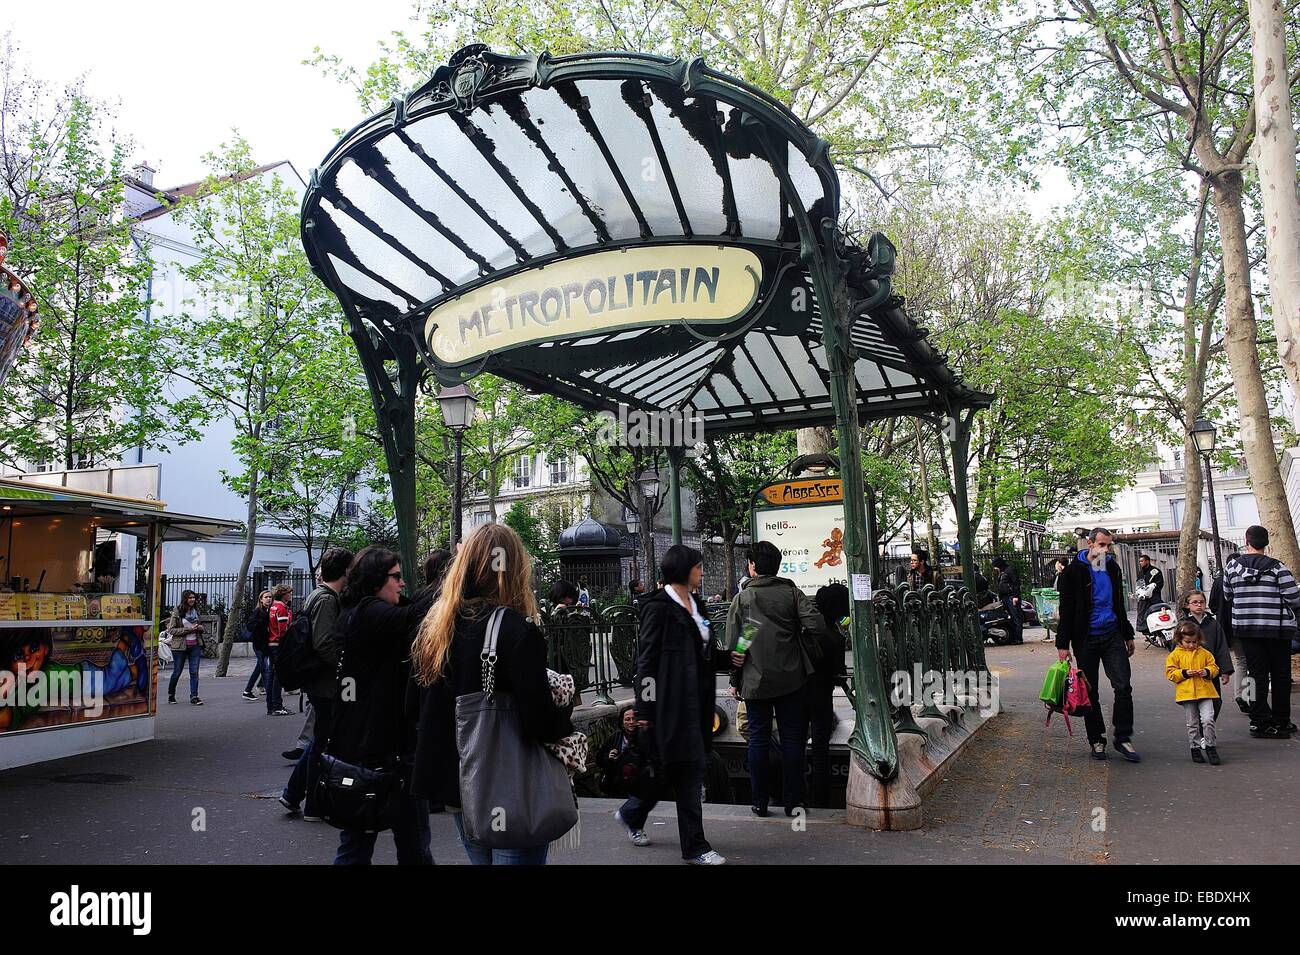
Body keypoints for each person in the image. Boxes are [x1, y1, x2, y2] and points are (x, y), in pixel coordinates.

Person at [409, 524, 572, 865]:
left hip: (456, 783)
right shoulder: (516, 632)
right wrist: (564, 706)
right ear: (514, 569)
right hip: (506, 784)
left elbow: (413, 707)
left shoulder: (437, 628)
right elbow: (540, 722)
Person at [614, 544, 727, 865]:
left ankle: (631, 813)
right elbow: (645, 662)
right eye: (698, 567)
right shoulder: (659, 608)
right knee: (685, 772)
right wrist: (645, 709)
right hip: (668, 708)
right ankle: (695, 847)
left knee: (676, 772)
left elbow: (702, 652)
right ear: (683, 570)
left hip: (697, 705)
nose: (702, 572)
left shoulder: (698, 605)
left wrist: (726, 658)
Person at [324, 546, 436, 865]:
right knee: (412, 845)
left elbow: (410, 609)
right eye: (396, 577)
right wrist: (457, 573)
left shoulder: (358, 609)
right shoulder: (370, 611)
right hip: (385, 751)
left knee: (358, 843)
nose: (402, 584)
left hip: (364, 747)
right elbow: (417, 614)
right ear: (375, 579)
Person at [726, 540, 820, 817]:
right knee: (792, 740)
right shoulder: (792, 593)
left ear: (753, 567)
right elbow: (815, 624)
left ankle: (760, 801)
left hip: (756, 681)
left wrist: (735, 680)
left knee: (758, 739)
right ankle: (794, 801)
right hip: (792, 678)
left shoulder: (743, 599)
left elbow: (736, 645)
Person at [280, 547, 353, 818]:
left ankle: (293, 794)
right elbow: (324, 643)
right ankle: (313, 804)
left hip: (319, 682)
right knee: (322, 742)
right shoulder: (325, 599)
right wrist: (344, 667)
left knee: (320, 739)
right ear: (345, 571)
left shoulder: (319, 595)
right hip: (324, 683)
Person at [1055, 528, 1140, 761]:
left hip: (1112, 634)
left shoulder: (1111, 567)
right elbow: (1066, 611)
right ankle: (1097, 739)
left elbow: (1118, 604)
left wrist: (1128, 634)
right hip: (1086, 638)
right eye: (1102, 545)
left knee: (1123, 686)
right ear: (1090, 543)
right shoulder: (1072, 573)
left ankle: (1123, 738)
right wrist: (1063, 645)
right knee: (1090, 693)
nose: (1106, 550)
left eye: (1109, 545)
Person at [1217, 525, 1299, 739]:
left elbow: (1227, 595)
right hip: (1276, 630)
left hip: (1247, 630)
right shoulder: (1277, 568)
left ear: (1246, 541)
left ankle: (1258, 721)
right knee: (1281, 676)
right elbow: (1294, 597)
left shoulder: (1232, 567)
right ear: (1266, 543)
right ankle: (1281, 720)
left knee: (1255, 676)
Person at [809, 583, 849, 807]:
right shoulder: (835, 637)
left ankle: (791, 795)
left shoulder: (808, 629)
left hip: (797, 691)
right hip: (821, 696)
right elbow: (838, 675)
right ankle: (819, 800)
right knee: (820, 751)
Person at [1165, 620, 1222, 765]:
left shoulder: (1205, 653)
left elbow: (1214, 668)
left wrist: (1207, 671)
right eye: (1188, 642)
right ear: (1180, 640)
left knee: (1208, 719)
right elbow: (1170, 673)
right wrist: (1185, 673)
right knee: (1192, 723)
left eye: (1194, 642)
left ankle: (1210, 746)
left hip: (1206, 691)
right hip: (1187, 693)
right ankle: (1195, 748)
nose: (1191, 645)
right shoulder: (1174, 655)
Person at [1178, 589, 1232, 719]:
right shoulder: (1183, 624)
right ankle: (1201, 735)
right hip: (1190, 673)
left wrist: (1225, 670)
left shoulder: (1213, 624)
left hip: (1209, 672)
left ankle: (1206, 732)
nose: (1199, 605)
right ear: (1187, 605)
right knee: (1194, 707)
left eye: (1201, 602)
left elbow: (1221, 647)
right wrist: (1180, 671)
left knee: (1215, 703)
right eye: (1194, 602)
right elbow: (1176, 649)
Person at [165, 590, 205, 706]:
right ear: (185, 599)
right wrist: (188, 629)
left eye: (193, 597)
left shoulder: (196, 611)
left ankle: (194, 696)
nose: (192, 599)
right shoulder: (177, 611)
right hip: (180, 647)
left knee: (194, 672)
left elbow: (201, 626)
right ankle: (171, 694)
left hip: (195, 645)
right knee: (177, 672)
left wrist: (199, 628)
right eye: (189, 598)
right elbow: (171, 630)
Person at [596, 706, 641, 798]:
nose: (631, 722)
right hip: (617, 783)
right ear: (622, 722)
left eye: (634, 719)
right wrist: (608, 757)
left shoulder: (644, 736)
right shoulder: (616, 737)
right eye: (627, 719)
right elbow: (599, 759)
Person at [264, 585, 293, 717]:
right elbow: (283, 631)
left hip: (271, 642)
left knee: (271, 676)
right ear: (283, 594)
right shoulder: (281, 608)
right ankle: (277, 706)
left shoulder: (273, 606)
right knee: (278, 676)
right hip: (278, 644)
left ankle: (271, 706)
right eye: (289, 593)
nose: (291, 595)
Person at [241, 591, 272, 702]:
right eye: (266, 597)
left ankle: (247, 691)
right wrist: (262, 623)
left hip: (265, 644)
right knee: (265, 669)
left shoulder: (268, 611)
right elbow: (250, 626)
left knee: (259, 668)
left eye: (270, 597)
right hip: (259, 645)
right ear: (261, 599)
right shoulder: (258, 612)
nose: (268, 599)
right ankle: (271, 695)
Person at [991, 557, 1023, 644]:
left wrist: (1016, 596)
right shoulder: (1003, 572)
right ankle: (1014, 637)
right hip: (1006, 596)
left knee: (1016, 617)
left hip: (1011, 596)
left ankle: (1018, 638)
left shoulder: (1009, 570)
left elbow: (1016, 583)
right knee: (1011, 617)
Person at [1135, 554, 1164, 634]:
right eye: (1139, 561)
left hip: (1154, 598)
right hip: (1144, 598)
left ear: (1147, 561)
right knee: (1141, 611)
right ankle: (1144, 629)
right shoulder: (1141, 572)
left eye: (1142, 561)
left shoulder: (1155, 571)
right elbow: (1139, 583)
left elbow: (1160, 583)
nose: (1140, 563)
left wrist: (1152, 590)